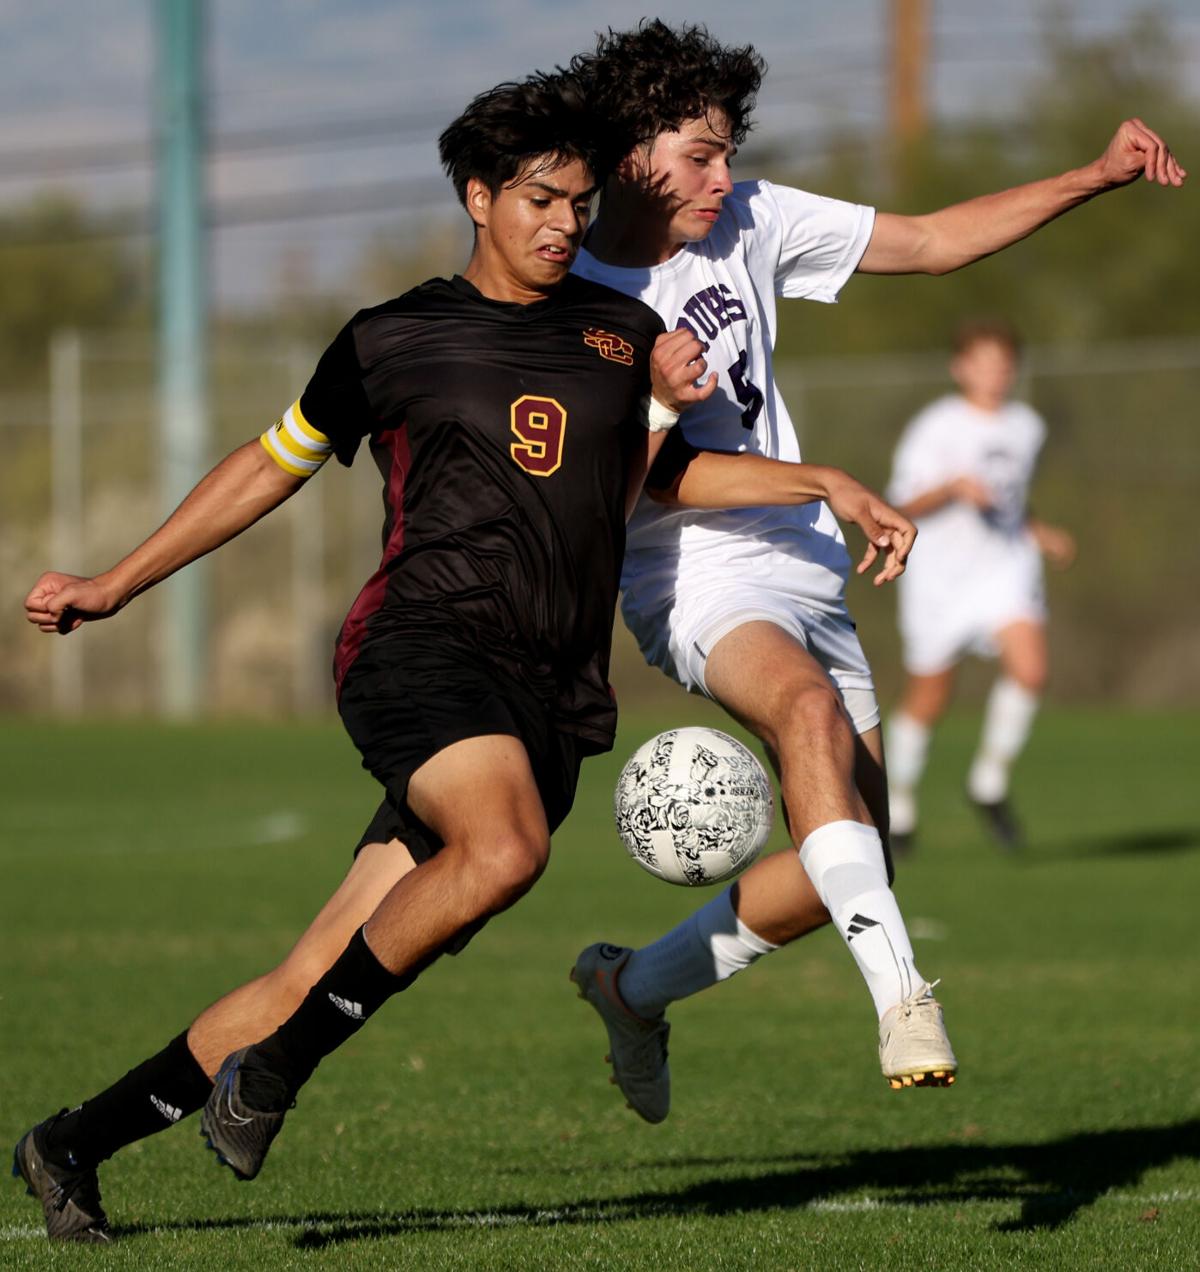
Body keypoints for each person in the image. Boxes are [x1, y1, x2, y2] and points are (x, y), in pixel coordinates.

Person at [14, 71, 917, 1242]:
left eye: (581, 205)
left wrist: (821, 480)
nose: (564, 225)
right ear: (479, 196)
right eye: (542, 199)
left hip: (548, 696)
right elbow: (264, 464)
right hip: (419, 649)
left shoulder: (623, 336)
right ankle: (275, 1078)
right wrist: (112, 582)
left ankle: (70, 1144)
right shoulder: (393, 337)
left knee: (319, 968)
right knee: (502, 848)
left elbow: (667, 479)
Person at [564, 20, 1184, 1124]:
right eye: (700, 154)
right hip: (693, 576)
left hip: (805, 566)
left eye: (728, 150)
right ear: (629, 155)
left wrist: (1094, 175)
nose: (725, 175)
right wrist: (828, 479)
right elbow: (656, 484)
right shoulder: (578, 298)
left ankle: (632, 986)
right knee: (804, 715)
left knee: (852, 856)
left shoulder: (750, 216)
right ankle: (904, 1000)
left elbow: (936, 239)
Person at [884, 320, 1075, 853]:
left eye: (1004, 364)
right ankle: (899, 807)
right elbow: (900, 503)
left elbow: (1012, 502)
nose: (994, 374)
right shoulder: (936, 427)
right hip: (941, 578)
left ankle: (988, 783)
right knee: (928, 698)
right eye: (983, 363)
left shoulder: (1026, 426)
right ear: (960, 367)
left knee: (1031, 670)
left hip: (1004, 568)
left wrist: (1040, 532)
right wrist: (951, 488)